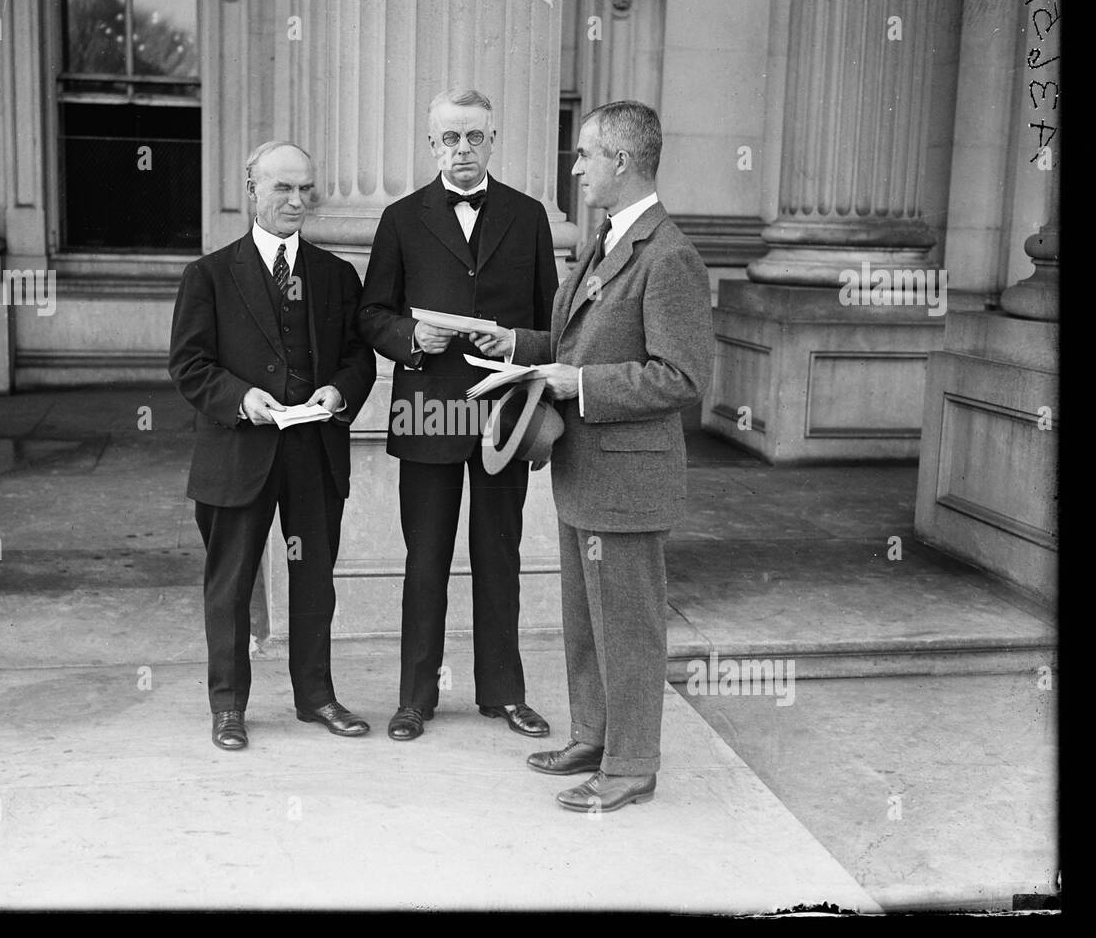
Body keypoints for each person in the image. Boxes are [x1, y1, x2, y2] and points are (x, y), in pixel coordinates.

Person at [472, 101, 714, 811]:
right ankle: (594, 736)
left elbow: (682, 378)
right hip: (587, 470)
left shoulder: (669, 256)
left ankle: (631, 766)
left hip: (629, 479)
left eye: (584, 154)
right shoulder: (607, 239)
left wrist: (576, 383)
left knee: (628, 628)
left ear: (622, 160)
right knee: (586, 619)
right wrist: (518, 346)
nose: (575, 167)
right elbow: (575, 342)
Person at [358, 88, 559, 742]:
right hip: (428, 412)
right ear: (432, 145)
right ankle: (415, 698)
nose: (463, 149)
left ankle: (504, 694)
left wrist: (519, 345)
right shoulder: (400, 218)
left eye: (474, 136)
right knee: (426, 559)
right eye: (450, 138)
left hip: (505, 410)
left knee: (500, 553)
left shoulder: (528, 216)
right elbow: (372, 314)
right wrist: (413, 337)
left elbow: (554, 321)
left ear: (493, 140)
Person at [169, 141, 376, 751]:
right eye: (282, 188)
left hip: (313, 453)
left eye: (305, 188)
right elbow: (189, 365)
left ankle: (316, 697)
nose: (296, 200)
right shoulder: (208, 276)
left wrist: (339, 392)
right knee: (230, 585)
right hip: (238, 453)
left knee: (314, 581)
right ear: (252, 190)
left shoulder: (336, 276)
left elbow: (358, 357)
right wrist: (242, 398)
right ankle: (228, 706)